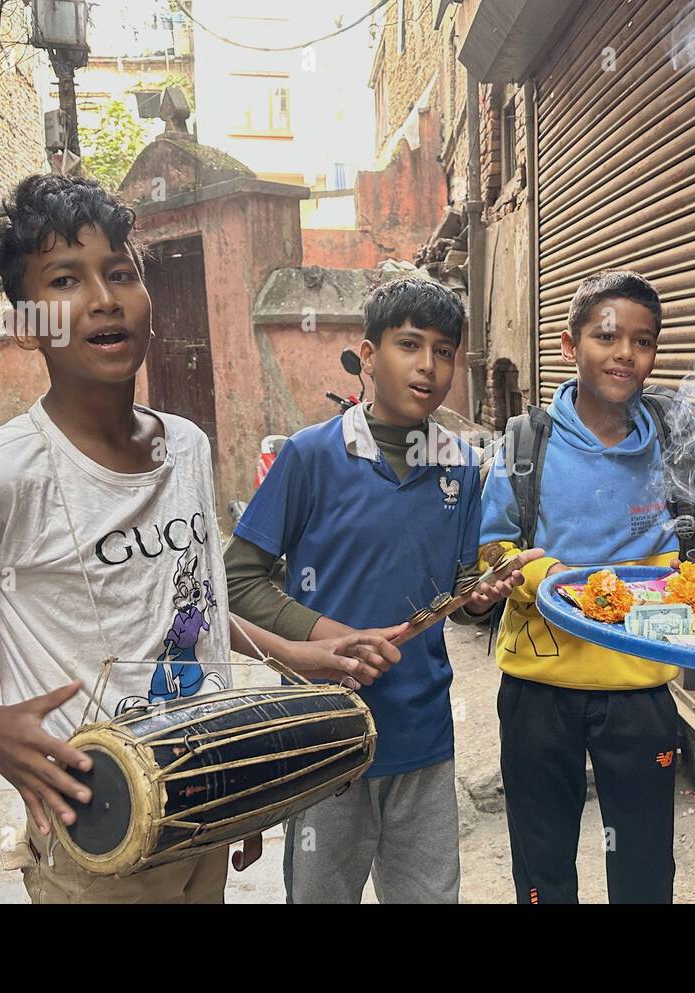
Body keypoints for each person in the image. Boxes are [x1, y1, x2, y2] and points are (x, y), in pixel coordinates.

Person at [0, 174, 405, 904]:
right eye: (65, 279)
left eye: (121, 272)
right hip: (93, 831)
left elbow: (196, 603)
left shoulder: (185, 445)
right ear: (27, 323)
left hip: (197, 794)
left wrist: (244, 738)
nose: (104, 296)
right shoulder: (5, 474)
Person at [479, 269, 695, 904]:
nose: (625, 354)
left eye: (643, 341)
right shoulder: (527, 444)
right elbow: (493, 543)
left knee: (642, 866)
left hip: (639, 685)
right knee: (541, 862)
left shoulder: (675, 438)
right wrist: (542, 577)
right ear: (568, 344)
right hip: (537, 686)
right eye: (607, 336)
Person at [227, 275, 539, 903]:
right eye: (409, 344)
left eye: (445, 350)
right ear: (368, 356)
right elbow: (236, 581)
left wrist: (482, 596)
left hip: (423, 734)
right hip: (325, 736)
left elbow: (456, 586)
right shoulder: (311, 457)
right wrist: (328, 636)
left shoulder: (460, 467)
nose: (428, 365)